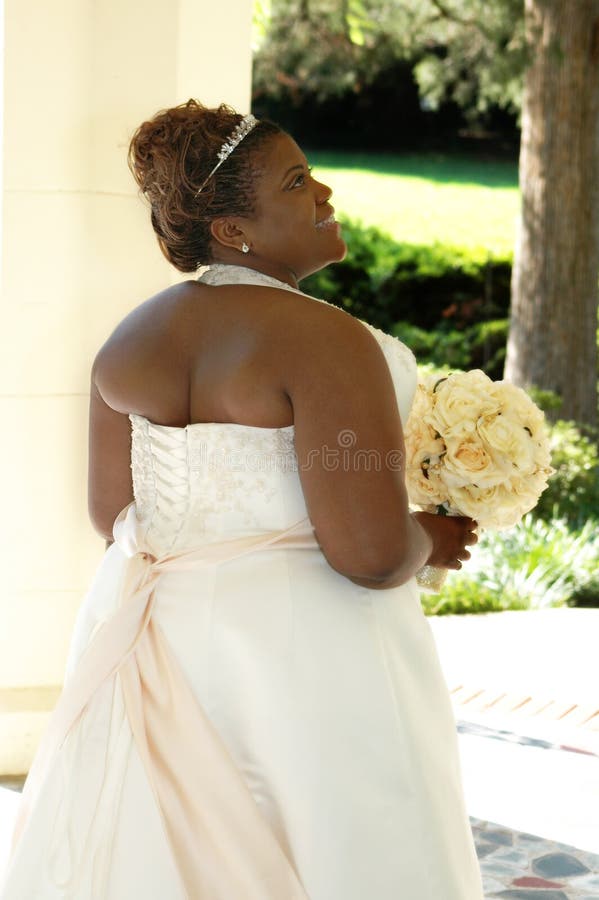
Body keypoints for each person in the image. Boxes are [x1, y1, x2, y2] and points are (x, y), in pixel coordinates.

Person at [1, 99, 484, 899]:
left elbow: (114, 516)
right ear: (233, 231)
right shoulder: (323, 340)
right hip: (307, 653)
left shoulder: (131, 340)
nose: (324, 192)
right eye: (297, 182)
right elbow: (365, 553)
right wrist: (429, 538)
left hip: (156, 641)